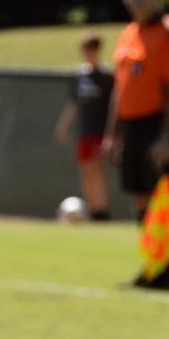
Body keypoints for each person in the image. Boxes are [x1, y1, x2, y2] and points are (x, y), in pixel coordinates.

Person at [103, 0, 169, 290]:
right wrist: (113, 134)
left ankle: (167, 270)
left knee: (162, 197)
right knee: (140, 197)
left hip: (158, 122)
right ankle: (152, 266)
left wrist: (166, 136)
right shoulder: (128, 34)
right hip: (133, 124)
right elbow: (121, 88)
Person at [54, 33, 113, 221]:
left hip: (100, 130)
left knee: (97, 170)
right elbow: (74, 104)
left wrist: (112, 133)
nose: (89, 54)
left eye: (92, 50)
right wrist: (64, 126)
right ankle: (92, 208)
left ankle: (101, 211)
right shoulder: (79, 76)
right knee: (86, 171)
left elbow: (115, 105)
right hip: (84, 131)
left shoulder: (106, 76)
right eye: (86, 50)